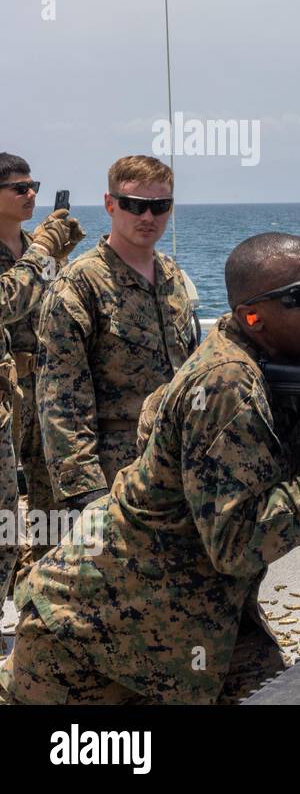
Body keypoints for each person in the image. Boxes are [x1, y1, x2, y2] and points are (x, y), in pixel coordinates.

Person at [0, 233, 300, 703]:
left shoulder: (275, 362)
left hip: (197, 618)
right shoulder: (228, 384)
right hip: (94, 634)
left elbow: (287, 476)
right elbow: (238, 545)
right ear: (254, 316)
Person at [23, 156, 197, 579]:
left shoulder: (172, 277)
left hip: (172, 468)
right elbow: (60, 401)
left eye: (161, 206)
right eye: (135, 204)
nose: (149, 216)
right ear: (110, 204)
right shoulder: (79, 285)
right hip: (111, 474)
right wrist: (87, 495)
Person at [0, 151, 84, 600]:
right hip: (5, 396)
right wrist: (43, 252)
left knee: (55, 500)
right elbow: (7, 302)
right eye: (19, 188)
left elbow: (58, 303)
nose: (31, 194)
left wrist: (59, 254)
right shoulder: (36, 249)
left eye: (34, 186)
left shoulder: (35, 245)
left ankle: (47, 602)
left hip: (46, 392)